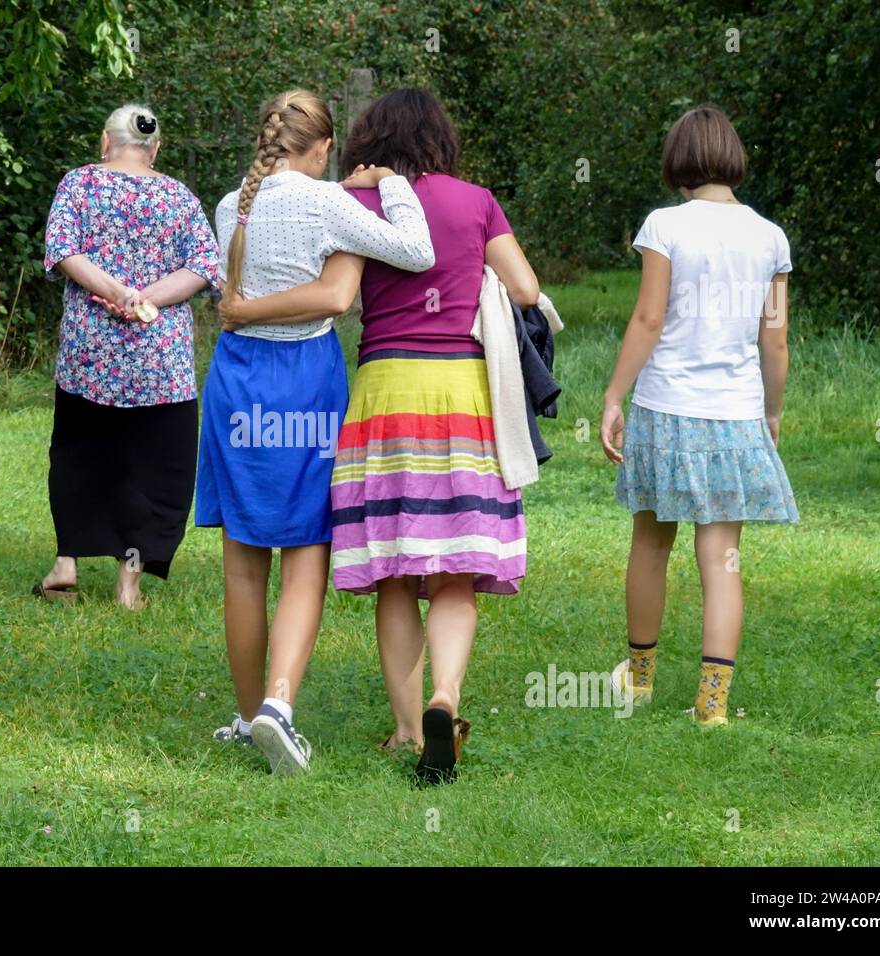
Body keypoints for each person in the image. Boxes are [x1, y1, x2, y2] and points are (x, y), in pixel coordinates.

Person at [221, 88, 539, 783]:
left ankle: (403, 728)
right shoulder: (476, 200)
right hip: (460, 394)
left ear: (367, 142)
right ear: (443, 140)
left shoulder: (353, 204)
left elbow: (335, 286)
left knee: (397, 569)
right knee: (455, 568)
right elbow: (523, 288)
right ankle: (445, 698)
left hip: (382, 394)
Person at [200, 89, 435, 776]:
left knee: (243, 560)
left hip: (238, 381)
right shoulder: (328, 202)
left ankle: (248, 720)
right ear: (325, 147)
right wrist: (388, 182)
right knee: (306, 548)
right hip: (303, 378)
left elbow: (236, 294)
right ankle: (278, 706)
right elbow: (416, 251)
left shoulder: (229, 205)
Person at [599, 105, 798, 728]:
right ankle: (712, 706)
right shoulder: (769, 235)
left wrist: (612, 396)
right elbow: (777, 338)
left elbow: (649, 320)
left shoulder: (665, 225)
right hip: (735, 414)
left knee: (650, 547)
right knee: (722, 559)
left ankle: (638, 684)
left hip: (665, 407)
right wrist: (770, 412)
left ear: (678, 161)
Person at [37, 103, 219, 610]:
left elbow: (63, 250)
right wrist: (146, 299)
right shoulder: (178, 195)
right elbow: (206, 265)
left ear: (104, 142)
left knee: (78, 454)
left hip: (89, 356)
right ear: (154, 149)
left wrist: (118, 292)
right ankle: (128, 586)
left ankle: (66, 565)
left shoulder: (78, 184)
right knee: (152, 467)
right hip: (159, 361)